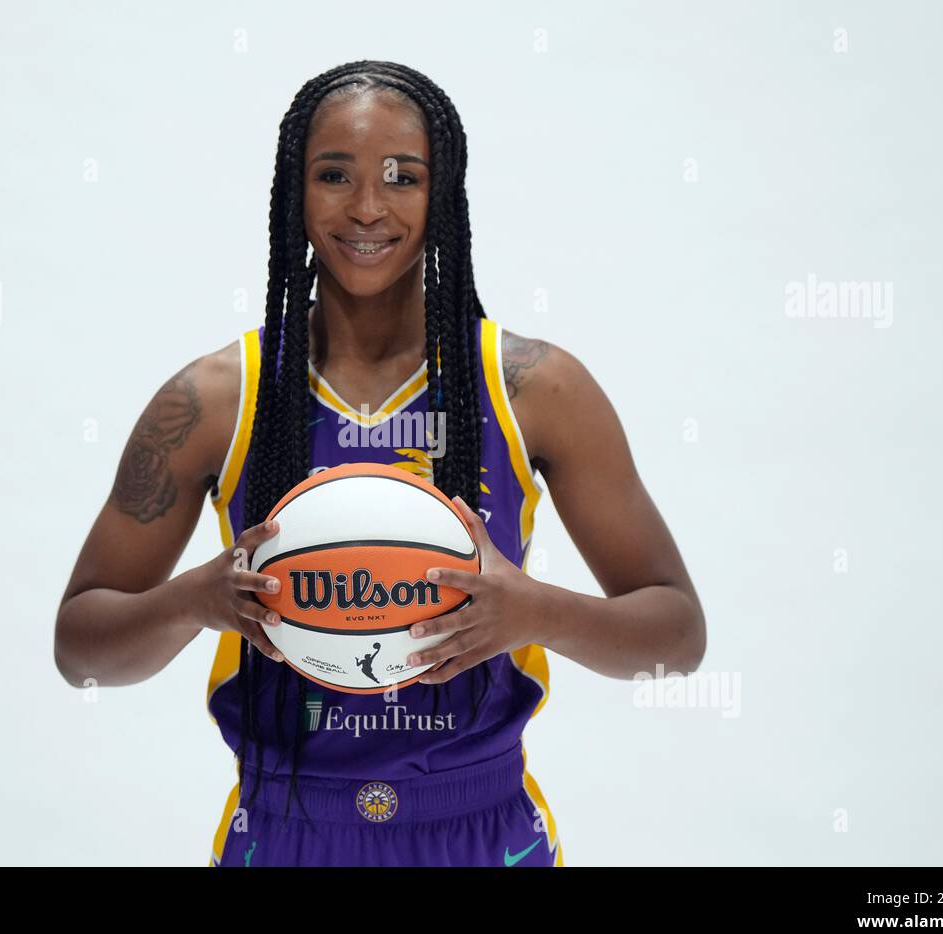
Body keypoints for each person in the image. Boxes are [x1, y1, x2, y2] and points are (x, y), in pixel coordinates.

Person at [55, 60, 706, 867]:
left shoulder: (533, 387)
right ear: (295, 192)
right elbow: (80, 648)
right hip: (287, 828)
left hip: (480, 828)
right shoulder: (215, 399)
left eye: (404, 177)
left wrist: (532, 612)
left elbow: (677, 637)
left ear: (445, 195)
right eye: (334, 175)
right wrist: (198, 599)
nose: (367, 207)